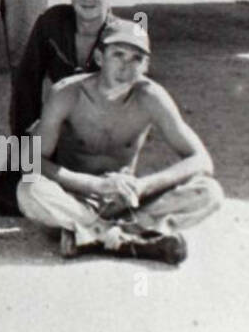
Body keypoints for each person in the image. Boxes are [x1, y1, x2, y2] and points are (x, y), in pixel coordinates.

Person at [18, 19, 222, 265]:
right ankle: (127, 239)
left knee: (210, 192)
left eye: (136, 59)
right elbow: (31, 162)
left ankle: (97, 236)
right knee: (29, 189)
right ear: (99, 57)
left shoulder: (151, 97)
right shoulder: (67, 94)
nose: (126, 66)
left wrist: (144, 185)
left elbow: (201, 160)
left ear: (145, 66)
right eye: (118, 55)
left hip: (126, 202)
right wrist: (95, 185)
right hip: (76, 198)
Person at [0, 0, 121, 215]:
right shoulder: (51, 23)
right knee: (5, 196)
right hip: (54, 135)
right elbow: (26, 85)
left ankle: (81, 198)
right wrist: (25, 142)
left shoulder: (125, 35)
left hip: (101, 143)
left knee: (108, 196)